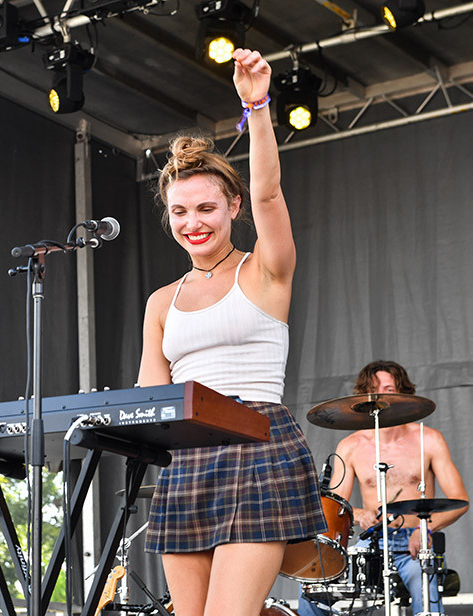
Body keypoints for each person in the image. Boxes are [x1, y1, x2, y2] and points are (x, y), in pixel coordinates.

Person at [137, 49, 327, 616]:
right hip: (186, 459)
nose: (192, 223)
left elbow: (270, 193)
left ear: (233, 207)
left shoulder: (266, 269)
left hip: (255, 444)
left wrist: (259, 107)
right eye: (179, 212)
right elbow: (153, 396)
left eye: (206, 208)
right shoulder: (160, 301)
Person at [298, 360, 469, 616]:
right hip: (372, 544)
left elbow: (460, 500)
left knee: (422, 579)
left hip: (414, 543)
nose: (381, 397)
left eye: (389, 389)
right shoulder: (351, 445)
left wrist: (426, 528)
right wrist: (359, 514)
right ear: (364, 398)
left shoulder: (428, 439)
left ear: (403, 393)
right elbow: (334, 508)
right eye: (374, 390)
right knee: (314, 587)